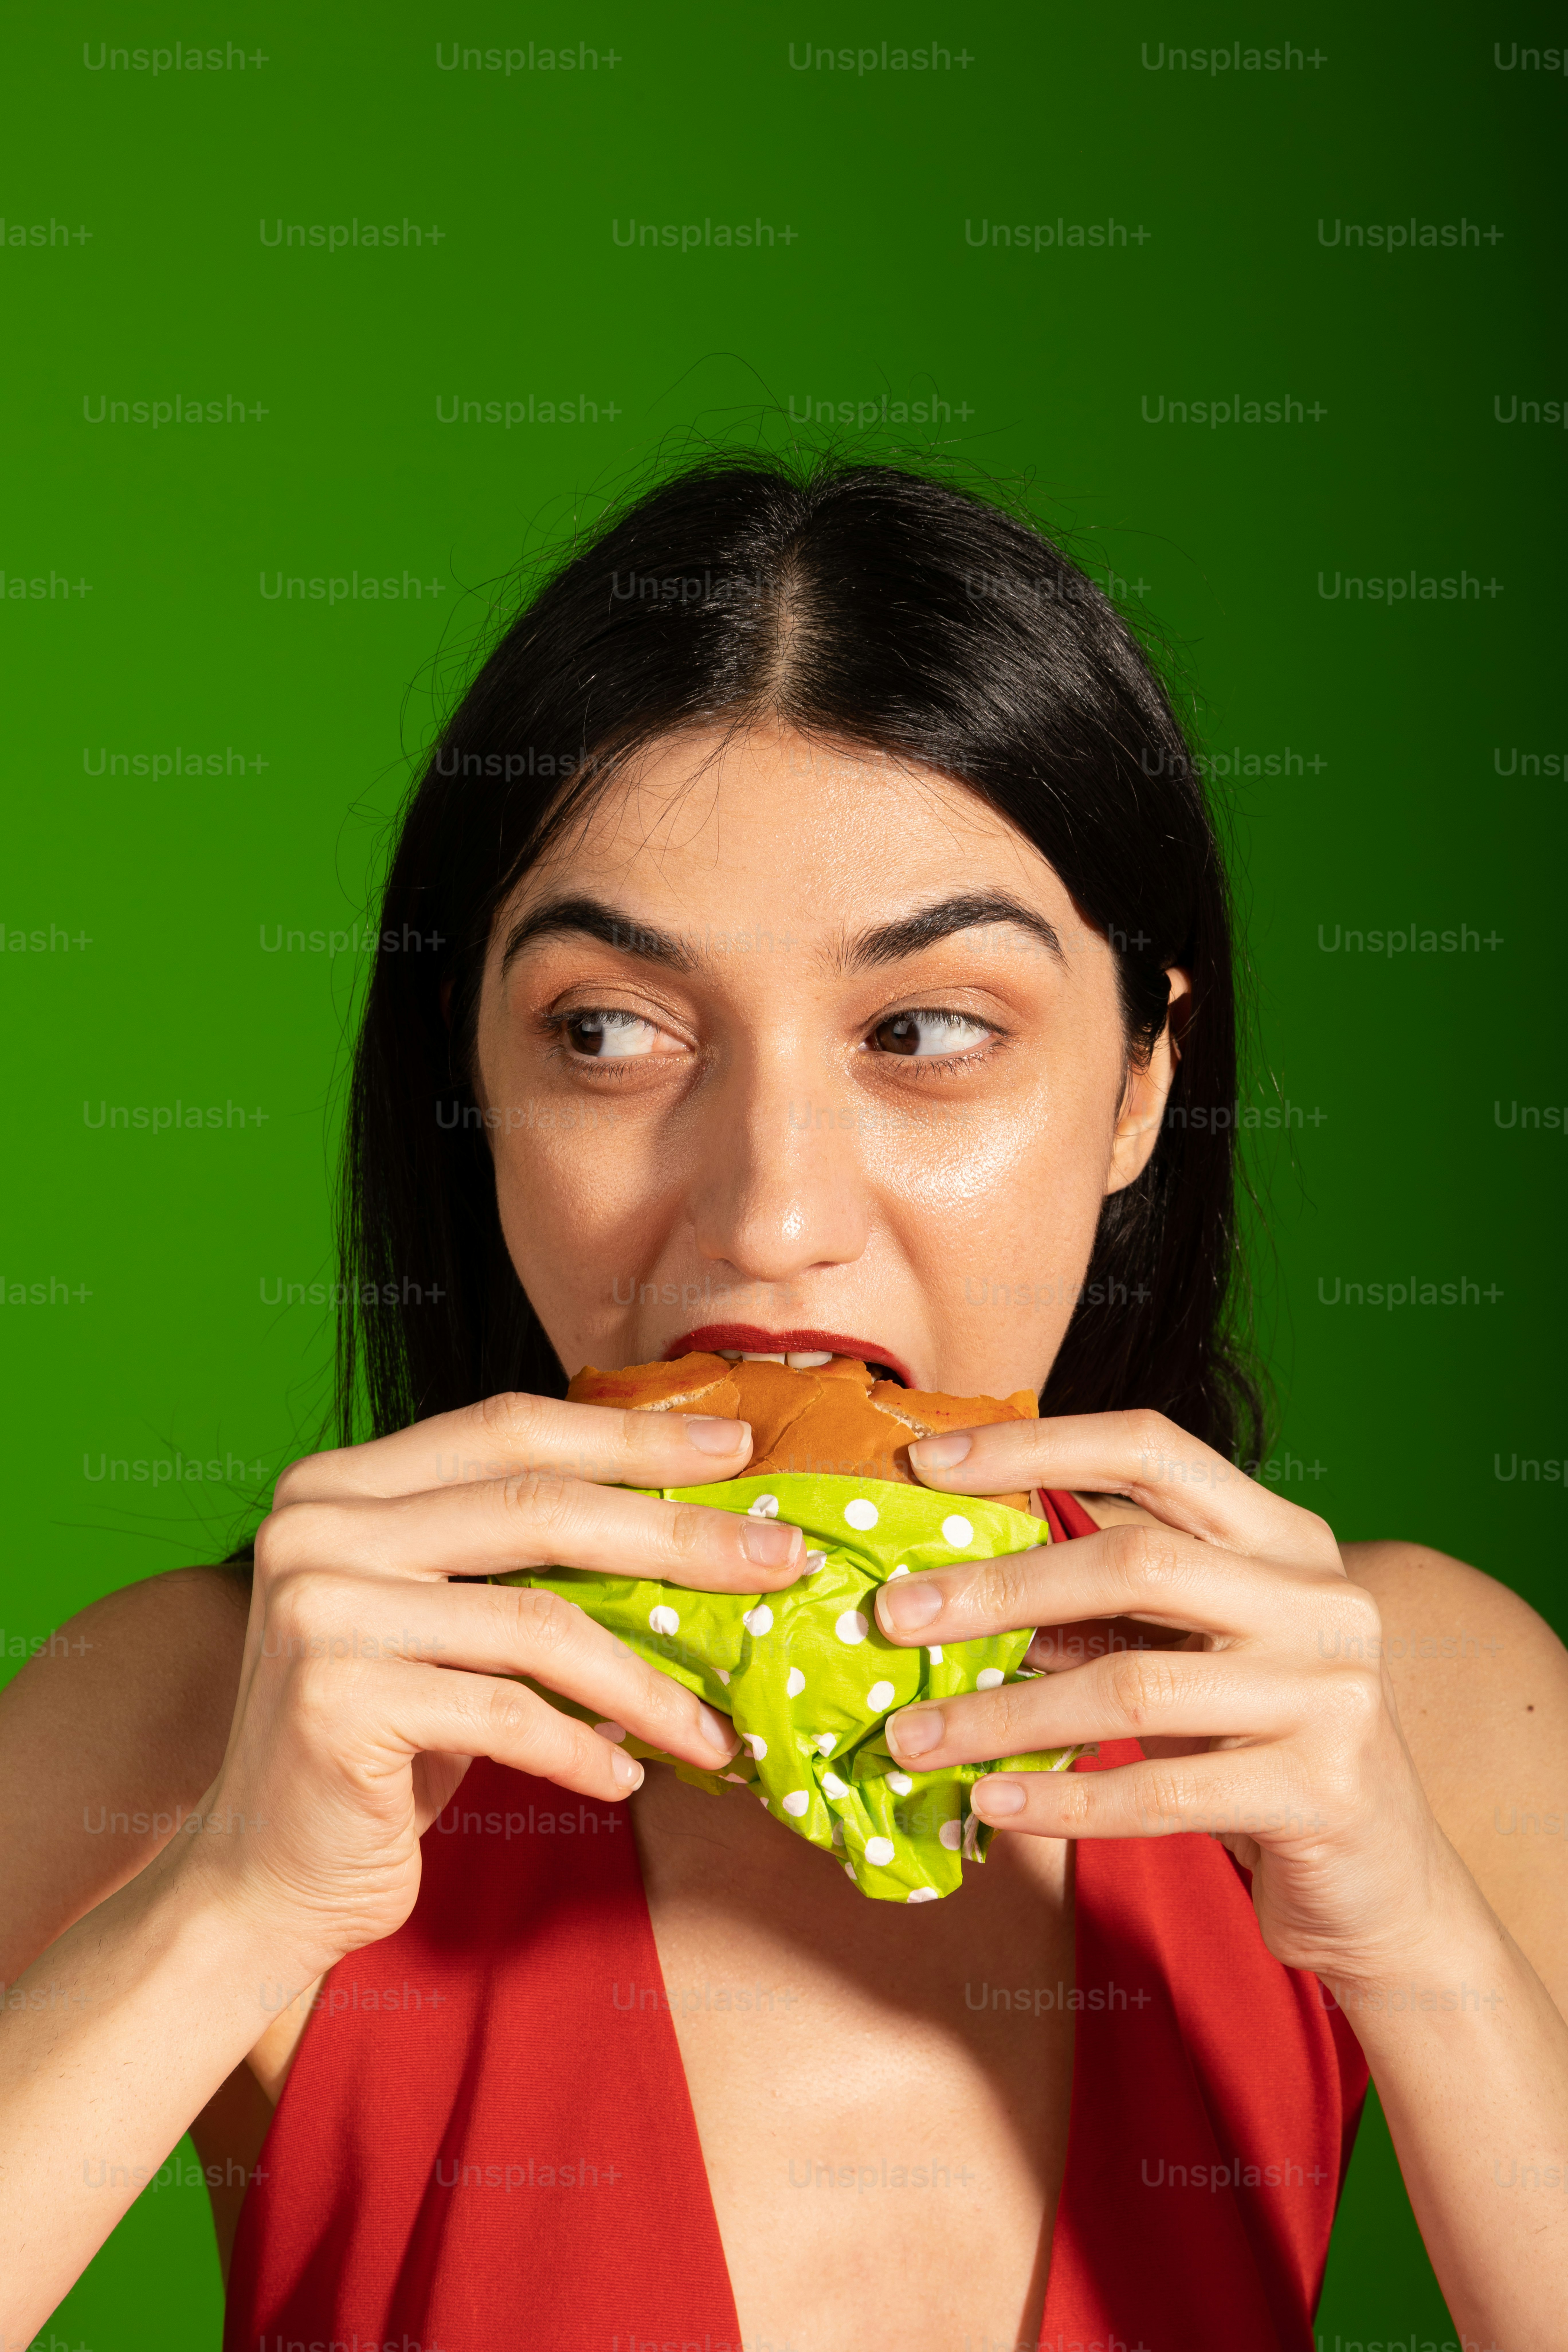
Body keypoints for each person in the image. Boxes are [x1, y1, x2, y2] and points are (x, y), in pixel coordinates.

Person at [3, 455, 1565, 2352]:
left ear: (1144, 1083)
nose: (775, 1216)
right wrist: (227, 1912)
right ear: (476, 1086)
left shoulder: (1415, 1708)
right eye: (608, 1032)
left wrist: (1415, 1946)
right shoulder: (210, 1707)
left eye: (924, 1033)